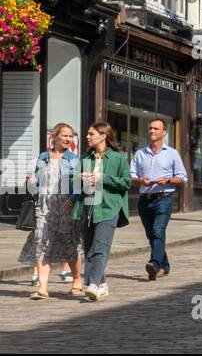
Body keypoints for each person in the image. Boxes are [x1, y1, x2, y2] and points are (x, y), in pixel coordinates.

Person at [20, 123, 83, 299]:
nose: (68, 139)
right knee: (41, 243)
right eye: (65, 135)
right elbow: (36, 185)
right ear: (53, 137)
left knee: (70, 244)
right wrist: (31, 183)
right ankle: (43, 288)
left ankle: (77, 279)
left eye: (70, 136)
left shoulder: (74, 159)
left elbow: (78, 185)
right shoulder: (43, 157)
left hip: (66, 207)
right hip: (44, 208)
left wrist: (72, 199)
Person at [73, 123, 130, 301]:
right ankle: (102, 284)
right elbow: (72, 181)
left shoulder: (118, 158)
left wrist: (102, 178)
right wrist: (79, 178)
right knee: (89, 248)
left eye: (91, 134)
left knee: (100, 247)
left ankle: (94, 284)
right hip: (88, 207)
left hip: (108, 208)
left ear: (103, 136)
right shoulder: (85, 158)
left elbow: (126, 182)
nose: (87, 137)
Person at [130, 118, 188, 280]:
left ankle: (154, 263)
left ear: (164, 132)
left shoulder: (172, 154)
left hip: (164, 198)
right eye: (150, 128)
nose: (152, 131)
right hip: (144, 199)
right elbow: (131, 175)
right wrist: (140, 181)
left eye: (156, 129)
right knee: (152, 235)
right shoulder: (140, 153)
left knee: (157, 231)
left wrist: (167, 180)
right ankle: (165, 266)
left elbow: (183, 178)